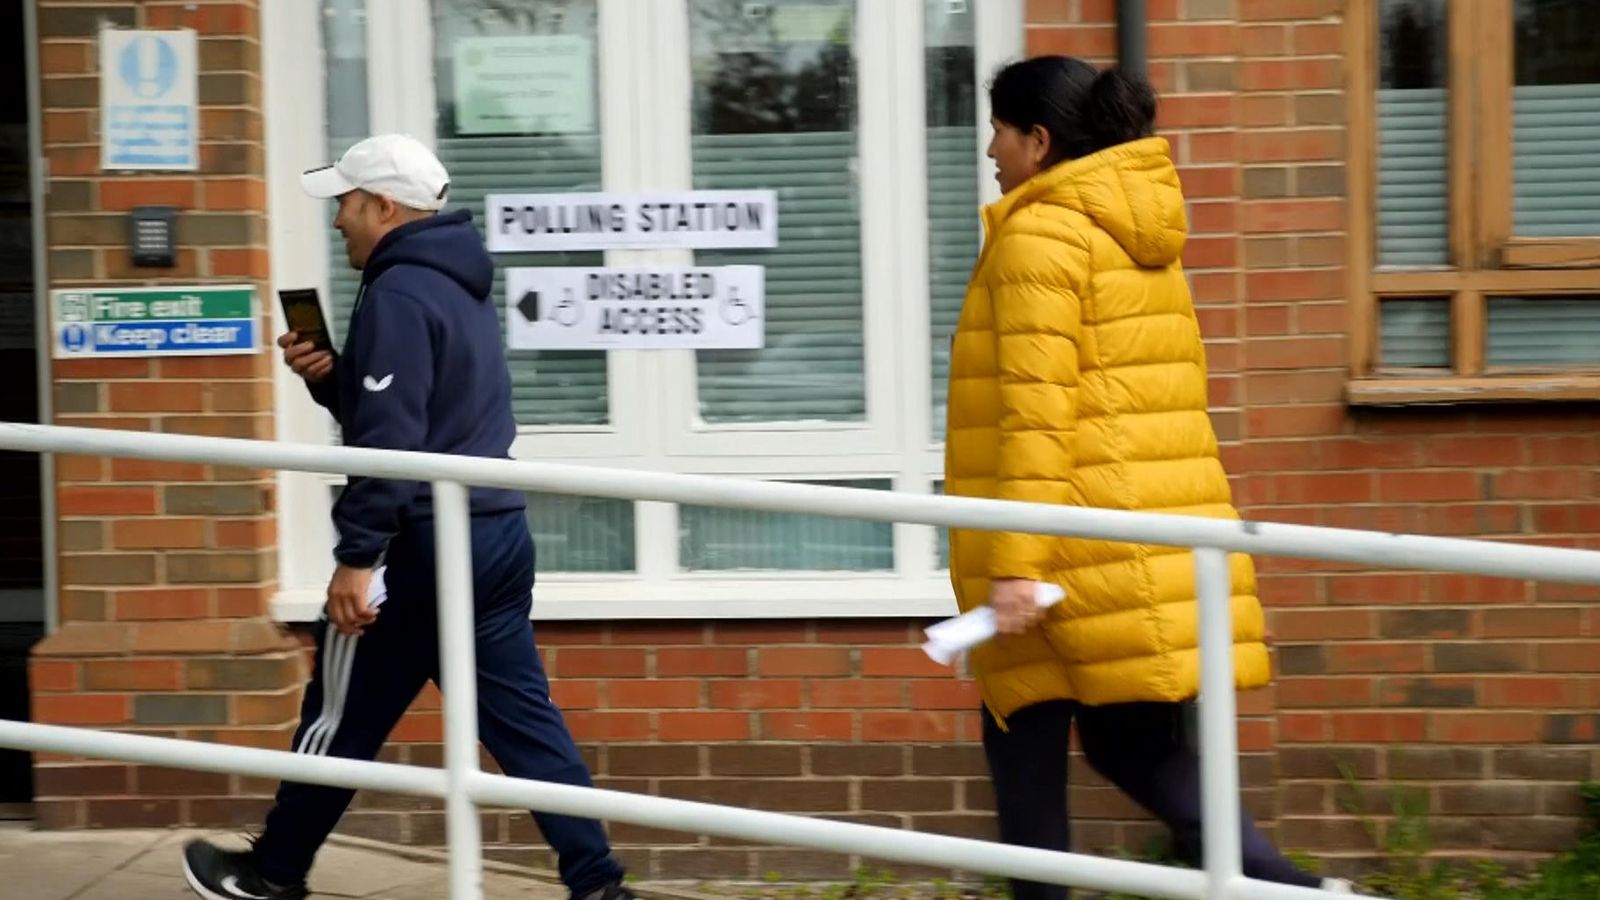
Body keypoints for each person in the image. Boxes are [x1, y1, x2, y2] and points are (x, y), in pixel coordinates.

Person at [180, 134, 636, 900]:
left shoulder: (397, 292)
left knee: (338, 714)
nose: (337, 224)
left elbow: (392, 443)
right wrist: (333, 381)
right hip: (490, 530)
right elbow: (417, 415)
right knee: (524, 724)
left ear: (383, 206)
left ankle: (273, 872)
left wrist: (358, 557)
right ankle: (598, 884)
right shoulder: (456, 281)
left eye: (346, 206)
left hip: (416, 544)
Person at [942, 58, 1354, 898]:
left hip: (1066, 550)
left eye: (999, 130)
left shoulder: (1039, 236)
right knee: (1129, 745)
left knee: (1022, 740)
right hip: (1136, 540)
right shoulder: (1135, 228)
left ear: (1038, 140)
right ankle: (1285, 889)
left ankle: (1274, 887)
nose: (989, 149)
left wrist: (1016, 563)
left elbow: (1037, 412)